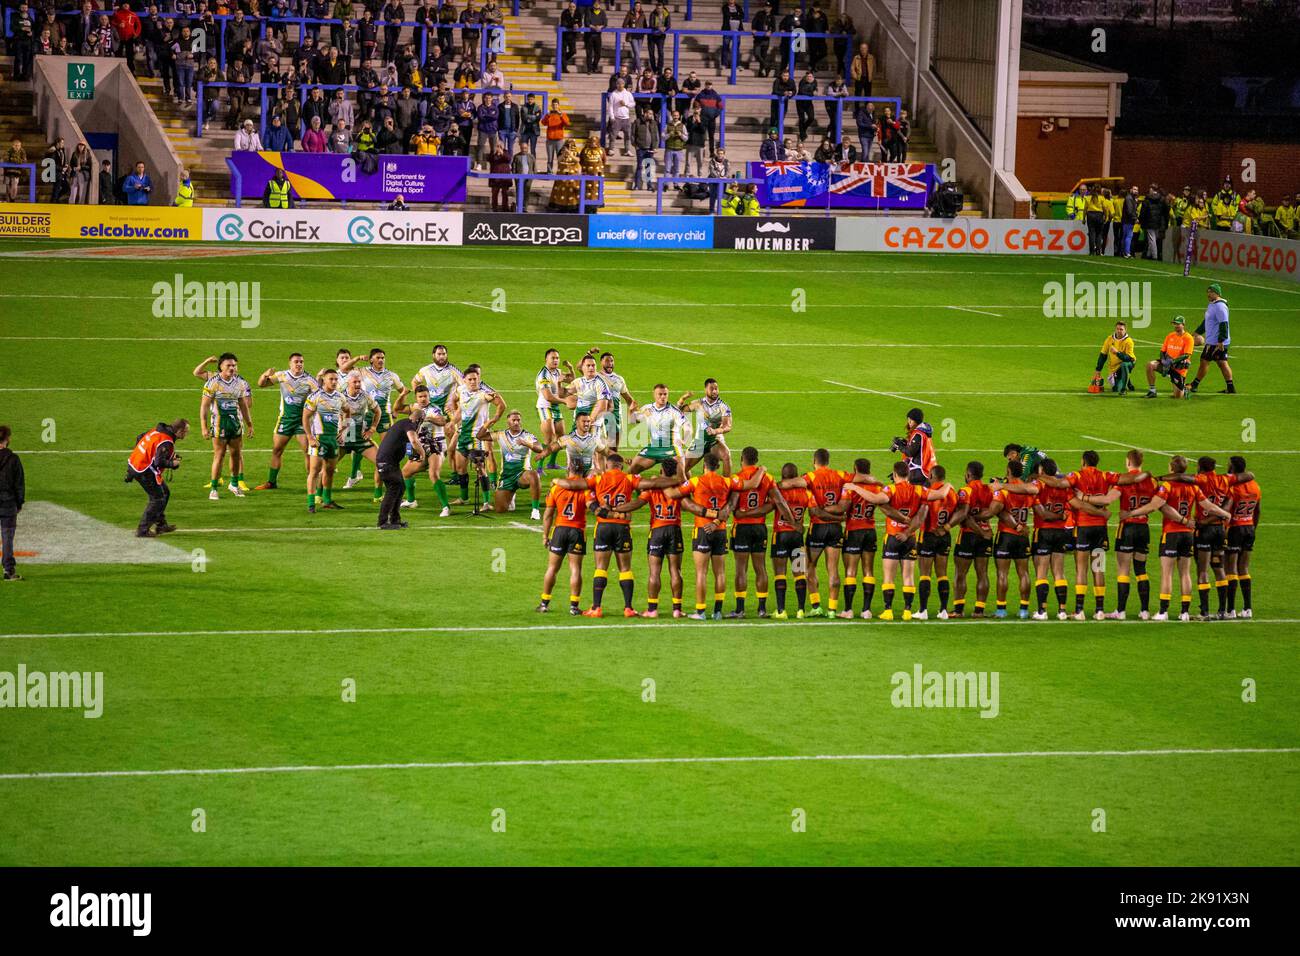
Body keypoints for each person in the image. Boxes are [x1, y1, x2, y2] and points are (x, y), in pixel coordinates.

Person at [1122, 456, 1229, 621]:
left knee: (1167, 574)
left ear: (1171, 468)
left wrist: (1132, 513)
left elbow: (1154, 505)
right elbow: (1208, 505)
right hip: (1188, 534)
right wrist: (1225, 513)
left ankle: (1163, 612)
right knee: (1185, 573)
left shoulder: (1167, 485)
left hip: (1171, 532)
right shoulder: (1193, 487)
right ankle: (1185, 612)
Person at [614, 458, 691, 617]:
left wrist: (617, 508)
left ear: (662, 470)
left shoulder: (653, 487)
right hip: (674, 529)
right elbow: (686, 505)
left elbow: (637, 503)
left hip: (657, 531)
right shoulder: (678, 487)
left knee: (654, 572)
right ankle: (677, 609)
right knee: (676, 571)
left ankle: (652, 609)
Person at [777, 449, 848, 618]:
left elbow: (790, 486)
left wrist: (774, 485)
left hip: (817, 528)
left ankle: (815, 605)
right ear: (828, 460)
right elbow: (857, 479)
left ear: (814, 461)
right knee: (833, 569)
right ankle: (832, 609)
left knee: (808, 567)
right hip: (836, 528)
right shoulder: (839, 475)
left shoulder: (810, 478)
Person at [726, 446, 794, 619]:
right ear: (756, 460)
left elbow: (733, 506)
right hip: (759, 528)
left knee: (741, 569)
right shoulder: (767, 478)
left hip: (741, 527)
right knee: (760, 568)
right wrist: (793, 522)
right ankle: (762, 609)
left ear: (742, 459)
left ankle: (740, 610)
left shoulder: (738, 478)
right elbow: (778, 501)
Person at [254, 355, 318, 491]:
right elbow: (261, 384)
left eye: (301, 362)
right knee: (277, 450)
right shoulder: (282, 375)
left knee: (308, 451)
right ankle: (271, 482)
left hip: (303, 422)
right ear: (290, 363)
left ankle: (312, 483)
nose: (299, 364)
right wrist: (265, 375)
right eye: (296, 362)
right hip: (285, 420)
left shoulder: (309, 380)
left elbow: (319, 398)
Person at [446, 364, 507, 507]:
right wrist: (452, 421)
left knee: (480, 469)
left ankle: (486, 502)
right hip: (463, 435)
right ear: (464, 380)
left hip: (476, 438)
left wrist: (494, 419)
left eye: (475, 379)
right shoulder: (461, 391)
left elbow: (502, 404)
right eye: (470, 379)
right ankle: (464, 498)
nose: (473, 382)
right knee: (461, 469)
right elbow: (459, 407)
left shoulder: (484, 394)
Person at [196, 353, 253, 498]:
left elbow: (243, 405)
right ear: (221, 366)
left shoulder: (240, 383)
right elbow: (204, 406)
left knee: (236, 454)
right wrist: (203, 426)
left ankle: (234, 484)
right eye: (229, 365)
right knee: (219, 455)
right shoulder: (212, 382)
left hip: (236, 425)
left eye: (234, 365)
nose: (232, 368)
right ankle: (214, 488)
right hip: (219, 425)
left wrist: (249, 424)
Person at [538, 459, 591, 614]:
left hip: (560, 530)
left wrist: (545, 536)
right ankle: (574, 607)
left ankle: (544, 603)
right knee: (575, 569)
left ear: (568, 469)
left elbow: (548, 515)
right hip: (577, 531)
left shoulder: (557, 488)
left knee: (552, 568)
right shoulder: (586, 489)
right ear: (583, 471)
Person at [686, 453, 735, 620]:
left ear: (704, 466)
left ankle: (700, 612)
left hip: (702, 530)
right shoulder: (727, 482)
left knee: (701, 573)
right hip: (720, 530)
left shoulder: (696, 481)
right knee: (720, 572)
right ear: (718, 466)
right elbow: (733, 498)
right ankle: (718, 611)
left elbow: (679, 494)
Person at [480, 411, 550, 520]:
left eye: (518, 420)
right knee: (500, 509)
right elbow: (480, 436)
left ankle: (535, 511)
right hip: (506, 476)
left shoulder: (527, 435)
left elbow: (540, 448)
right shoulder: (500, 434)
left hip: (522, 473)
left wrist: (526, 443)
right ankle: (511, 495)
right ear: (508, 422)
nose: (516, 422)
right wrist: (487, 424)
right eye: (514, 420)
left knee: (534, 475)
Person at [126, 418, 188, 538]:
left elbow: (140, 438)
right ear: (179, 431)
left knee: (165, 492)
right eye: (186, 431)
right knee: (158, 498)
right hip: (144, 470)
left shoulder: (156, 431)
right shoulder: (167, 441)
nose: (187, 434)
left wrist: (142, 455)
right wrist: (173, 464)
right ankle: (142, 530)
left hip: (135, 464)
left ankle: (161, 525)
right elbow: (159, 462)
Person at [951, 461, 994, 618]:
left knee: (960, 573)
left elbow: (965, 516)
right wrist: (983, 532)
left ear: (968, 474)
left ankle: (958, 610)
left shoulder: (965, 491)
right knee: (982, 573)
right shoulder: (988, 490)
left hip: (968, 535)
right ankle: (979, 610)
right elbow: (993, 511)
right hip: (986, 533)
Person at [302, 369, 349, 513]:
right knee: (314, 471)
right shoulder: (315, 396)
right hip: (319, 439)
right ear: (324, 379)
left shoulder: (340, 397)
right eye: (331, 379)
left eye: (336, 379)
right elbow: (305, 417)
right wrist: (310, 437)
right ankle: (311, 503)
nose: (334, 382)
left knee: (329, 470)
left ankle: (327, 501)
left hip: (333, 439)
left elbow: (347, 411)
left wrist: (344, 430)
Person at [375, 406, 427, 529]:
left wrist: (412, 454)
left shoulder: (403, 424)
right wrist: (422, 453)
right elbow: (414, 441)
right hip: (387, 463)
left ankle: (395, 520)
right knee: (394, 488)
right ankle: (382, 522)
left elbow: (407, 445)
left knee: (400, 487)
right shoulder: (410, 425)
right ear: (419, 420)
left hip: (390, 463)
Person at [1223, 456, 1260, 619]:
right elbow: (1258, 510)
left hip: (1235, 529)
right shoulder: (1255, 486)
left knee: (1230, 569)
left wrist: (1223, 531)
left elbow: (1226, 513)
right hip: (1249, 528)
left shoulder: (1233, 488)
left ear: (1232, 468)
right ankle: (1247, 608)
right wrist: (1253, 527)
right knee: (1244, 568)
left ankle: (1230, 609)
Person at [679, 378, 733, 476]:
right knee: (682, 469)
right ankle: (687, 487)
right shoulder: (698, 403)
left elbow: (728, 426)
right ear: (705, 390)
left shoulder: (723, 407)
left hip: (715, 440)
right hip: (700, 440)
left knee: (726, 455)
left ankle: (727, 485)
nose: (715, 391)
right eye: (711, 389)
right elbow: (680, 412)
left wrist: (715, 431)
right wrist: (683, 399)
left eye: (716, 388)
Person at [1188, 282, 1234, 395]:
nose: (1208, 294)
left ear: (1217, 293)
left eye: (1211, 292)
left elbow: (1224, 324)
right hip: (1214, 341)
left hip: (1215, 342)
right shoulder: (1212, 304)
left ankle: (1194, 385)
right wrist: (1197, 332)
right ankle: (1231, 387)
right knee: (1222, 363)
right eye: (1207, 292)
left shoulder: (1220, 306)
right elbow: (1207, 322)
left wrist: (1220, 340)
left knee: (1204, 361)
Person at [1144, 315, 1196, 399]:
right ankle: (1152, 391)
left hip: (1178, 368)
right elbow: (1162, 351)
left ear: (1183, 324)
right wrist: (1164, 362)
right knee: (1150, 365)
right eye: (1174, 324)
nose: (1176, 326)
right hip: (1167, 363)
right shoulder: (1170, 336)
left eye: (1178, 324)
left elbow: (1187, 355)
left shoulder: (1188, 338)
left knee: (1178, 396)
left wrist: (1171, 362)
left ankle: (1185, 388)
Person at [0, 426, 26, 581]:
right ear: (7, 439)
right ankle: (8, 571)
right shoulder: (13, 459)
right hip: (8, 504)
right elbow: (19, 484)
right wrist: (19, 503)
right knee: (7, 538)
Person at [1092, 320, 1136, 395]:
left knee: (1124, 365)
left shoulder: (1129, 341)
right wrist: (1098, 370)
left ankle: (1123, 389)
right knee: (1115, 389)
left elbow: (1129, 358)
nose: (1119, 331)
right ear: (1115, 329)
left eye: (1121, 329)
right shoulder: (1109, 339)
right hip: (1114, 368)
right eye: (1117, 329)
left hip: (1129, 363)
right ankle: (1127, 380)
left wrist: (1117, 353)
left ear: (1125, 330)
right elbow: (1103, 355)